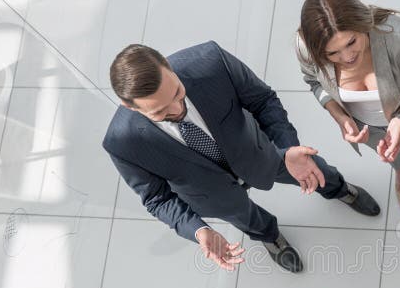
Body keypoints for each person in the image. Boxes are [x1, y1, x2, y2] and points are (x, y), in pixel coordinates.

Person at [104, 42, 382, 273]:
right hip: (211, 195)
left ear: (167, 64)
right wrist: (199, 231)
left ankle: (339, 189)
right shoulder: (122, 143)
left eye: (177, 93)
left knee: (316, 169)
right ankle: (270, 237)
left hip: (260, 152)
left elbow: (263, 101)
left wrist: (288, 149)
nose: (178, 109)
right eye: (160, 112)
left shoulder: (210, 61)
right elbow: (157, 198)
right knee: (247, 219)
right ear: (130, 107)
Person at [296, 0, 400, 223]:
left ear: (363, 23)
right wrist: (339, 117)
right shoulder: (306, 48)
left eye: (352, 42)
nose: (347, 57)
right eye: (333, 53)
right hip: (364, 125)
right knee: (390, 156)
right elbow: (313, 81)